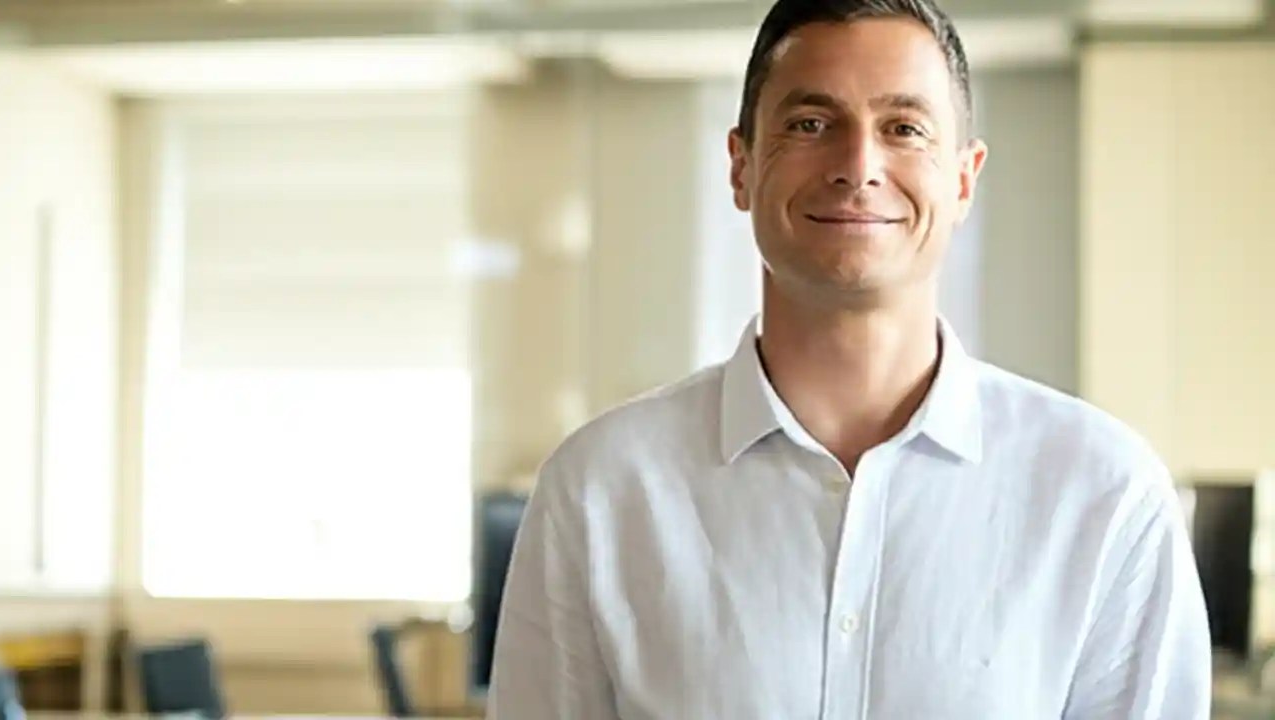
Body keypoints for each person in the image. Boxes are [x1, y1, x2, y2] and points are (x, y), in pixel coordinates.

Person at [487, 0, 1212, 717]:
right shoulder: (601, 489)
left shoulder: (1105, 494)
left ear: (964, 178)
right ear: (740, 168)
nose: (859, 165)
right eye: (811, 124)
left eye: (904, 128)